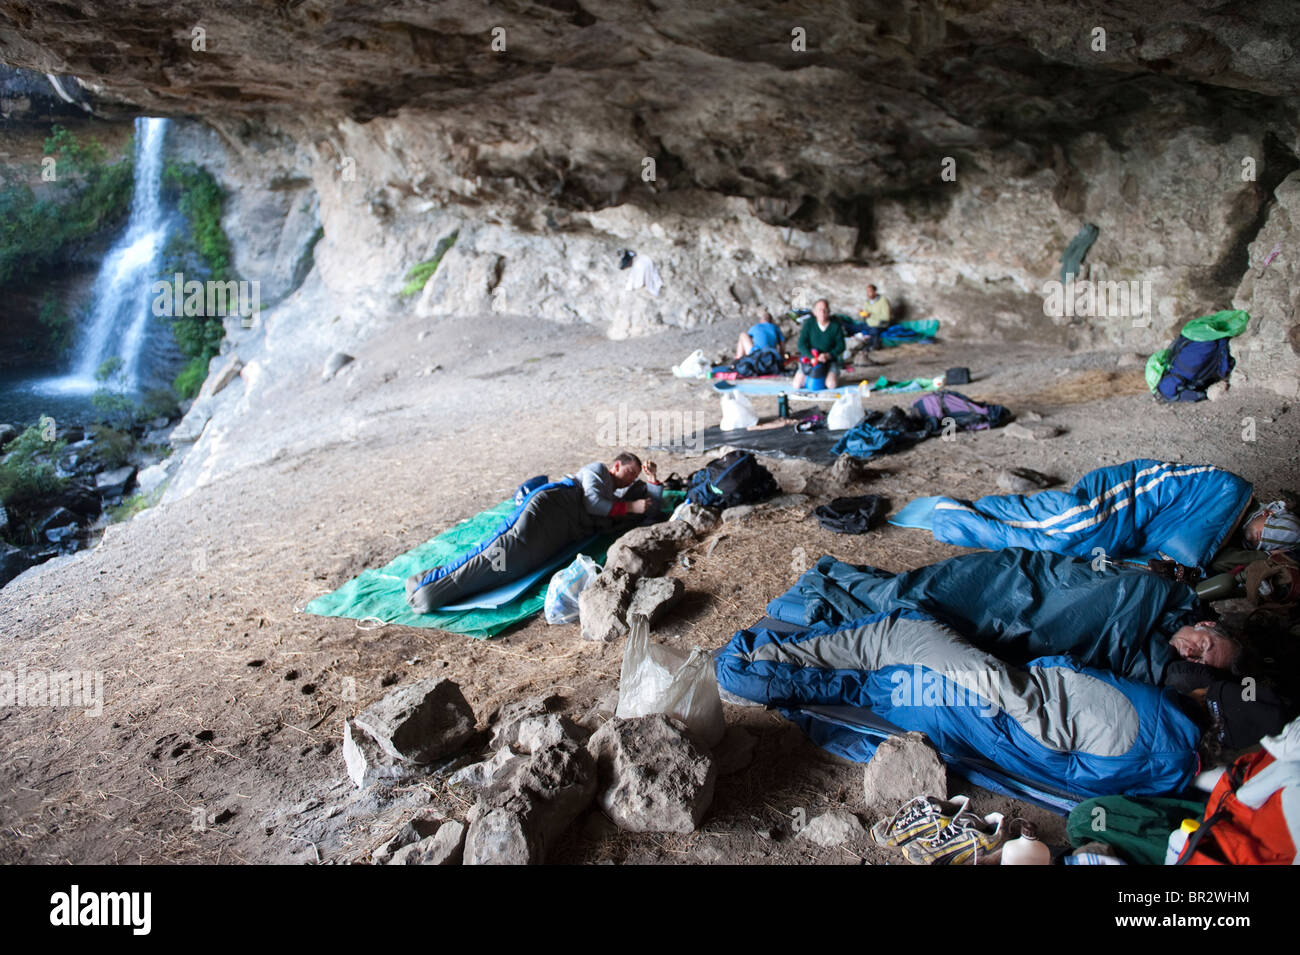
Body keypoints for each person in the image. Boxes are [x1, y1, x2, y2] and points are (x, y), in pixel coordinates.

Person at [406, 452, 662, 613]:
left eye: (635, 477)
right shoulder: (596, 471)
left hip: (562, 532)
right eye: (630, 473)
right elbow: (592, 503)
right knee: (503, 551)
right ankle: (426, 588)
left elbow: (650, 511)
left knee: (514, 566)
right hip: (549, 508)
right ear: (616, 465)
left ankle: (433, 592)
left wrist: (652, 482)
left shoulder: (619, 499)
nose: (630, 480)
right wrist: (628, 506)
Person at [792, 298, 846, 389]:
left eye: (825, 310)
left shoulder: (835, 325)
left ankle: (833, 375)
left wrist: (828, 355)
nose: (822, 312)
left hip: (829, 360)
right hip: (811, 359)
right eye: (819, 310)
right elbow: (801, 344)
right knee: (797, 385)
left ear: (829, 311)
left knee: (831, 385)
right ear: (814, 312)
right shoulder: (809, 324)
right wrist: (811, 357)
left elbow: (841, 346)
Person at [857, 283, 891, 356]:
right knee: (855, 327)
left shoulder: (883, 300)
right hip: (869, 324)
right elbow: (865, 316)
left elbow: (886, 317)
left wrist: (871, 315)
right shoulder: (867, 302)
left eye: (870, 291)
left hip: (880, 325)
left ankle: (872, 346)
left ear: (875, 292)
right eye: (867, 292)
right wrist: (862, 313)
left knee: (874, 331)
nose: (868, 294)